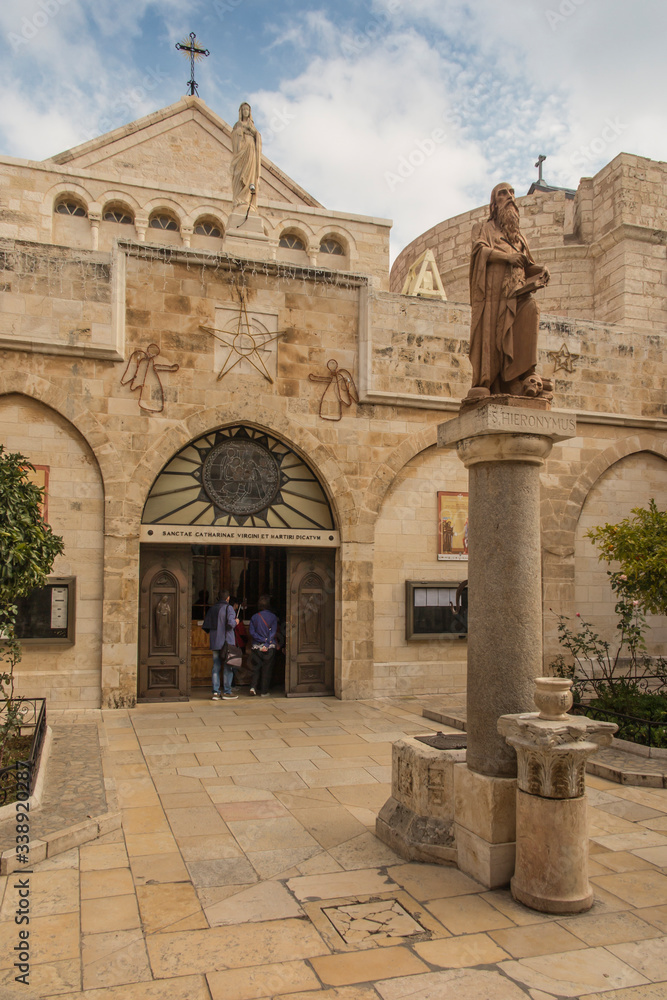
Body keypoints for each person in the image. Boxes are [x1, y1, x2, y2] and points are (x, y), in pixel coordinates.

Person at [467, 182, 552, 400]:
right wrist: (507, 257)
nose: (510, 197)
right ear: (494, 204)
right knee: (493, 336)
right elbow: (480, 252)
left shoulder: (519, 237)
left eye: (512, 193)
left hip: (518, 293)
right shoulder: (486, 229)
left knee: (532, 309)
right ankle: (496, 380)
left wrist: (541, 270)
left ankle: (523, 374)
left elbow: (525, 264)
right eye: (503, 194)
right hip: (494, 297)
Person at [201, 590, 238, 701]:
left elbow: (206, 626)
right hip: (227, 642)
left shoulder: (212, 609)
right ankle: (227, 691)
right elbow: (231, 624)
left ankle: (215, 692)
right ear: (228, 598)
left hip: (215, 642)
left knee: (216, 667)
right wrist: (236, 621)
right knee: (228, 667)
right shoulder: (229, 608)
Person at [230, 102, 261, 215]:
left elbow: (258, 136)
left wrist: (252, 131)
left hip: (251, 151)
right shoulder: (238, 125)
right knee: (240, 173)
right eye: (243, 109)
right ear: (241, 112)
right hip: (241, 152)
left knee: (250, 176)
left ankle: (248, 200)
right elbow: (234, 137)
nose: (245, 111)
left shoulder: (253, 127)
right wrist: (241, 131)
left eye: (247, 109)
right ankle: (239, 200)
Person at [248, 595, 280, 697]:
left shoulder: (254, 617)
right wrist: (267, 642)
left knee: (256, 668)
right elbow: (273, 632)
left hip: (256, 646)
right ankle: (264, 691)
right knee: (267, 669)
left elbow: (252, 633)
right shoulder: (273, 617)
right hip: (269, 647)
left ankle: (253, 687)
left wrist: (261, 640)